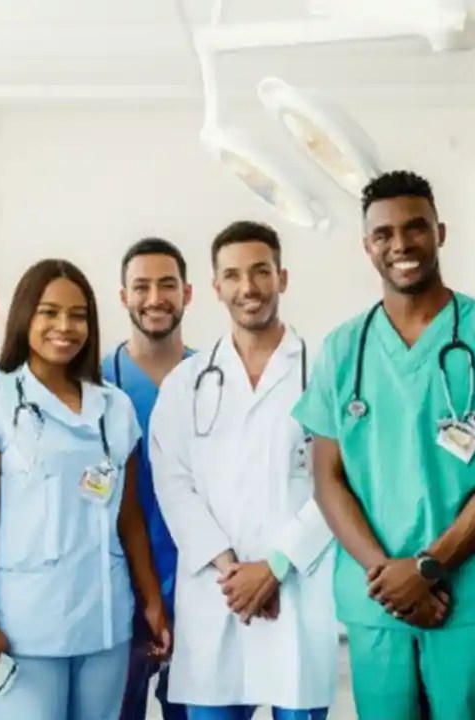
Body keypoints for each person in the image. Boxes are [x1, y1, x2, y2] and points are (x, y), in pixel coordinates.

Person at [292, 170, 475, 719]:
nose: (401, 245)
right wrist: (389, 577)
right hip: (379, 598)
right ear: (367, 247)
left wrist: (429, 567)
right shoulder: (344, 349)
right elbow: (327, 478)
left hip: (474, 597)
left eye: (414, 228)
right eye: (384, 234)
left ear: (440, 233)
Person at [0, 258, 172, 718]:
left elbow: (129, 516)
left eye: (78, 315)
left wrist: (151, 600)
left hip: (104, 618)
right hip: (24, 624)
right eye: (49, 312)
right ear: (24, 318)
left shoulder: (115, 407)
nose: (65, 327)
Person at [151, 221, 338, 719]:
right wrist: (231, 568)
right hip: (219, 594)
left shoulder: (323, 373)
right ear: (215, 288)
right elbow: (173, 482)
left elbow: (340, 484)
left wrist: (276, 566)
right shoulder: (185, 383)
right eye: (232, 275)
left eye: (260, 272)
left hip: (296, 594)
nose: (248, 287)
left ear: (283, 277)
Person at [102, 237, 194, 720]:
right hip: (115, 590)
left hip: (201, 589)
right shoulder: (93, 385)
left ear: (189, 293)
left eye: (167, 285)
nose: (155, 298)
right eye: (141, 286)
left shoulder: (213, 377)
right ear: (123, 297)